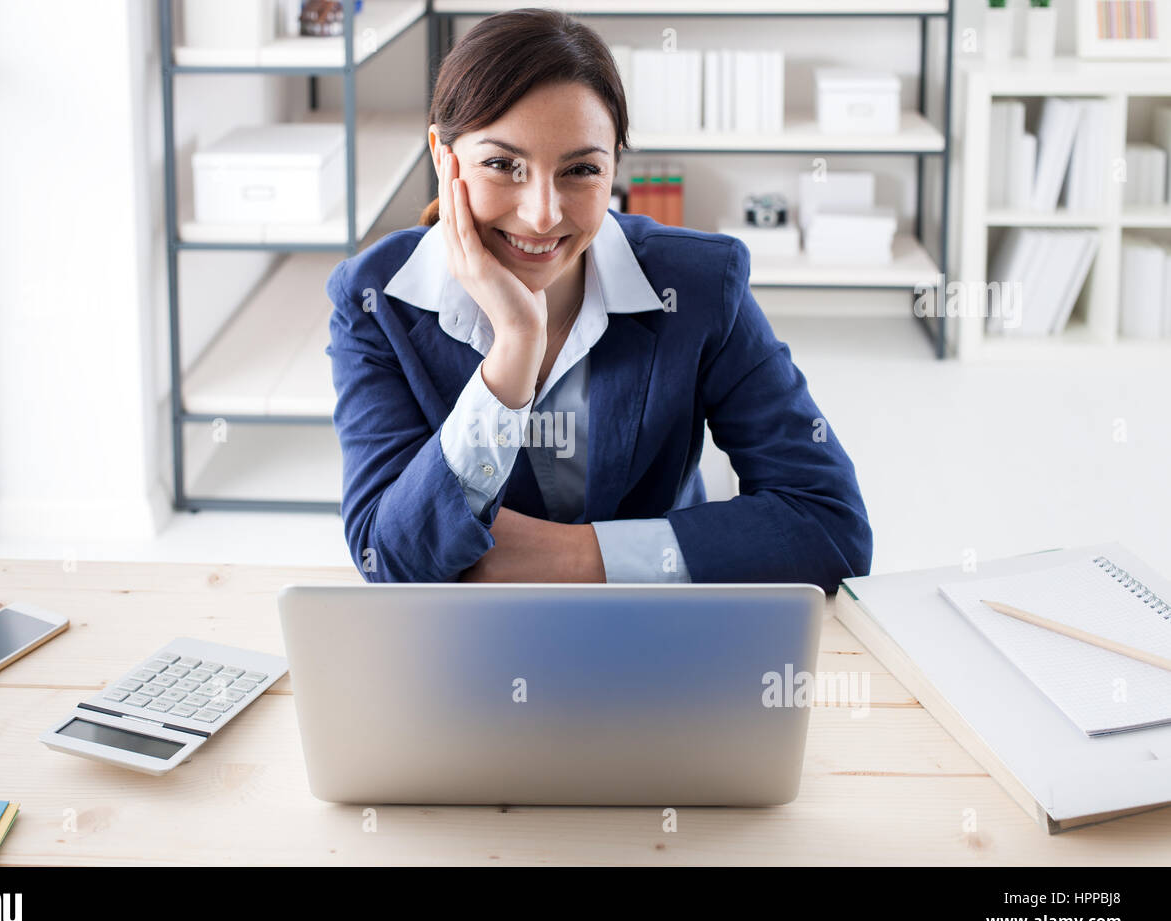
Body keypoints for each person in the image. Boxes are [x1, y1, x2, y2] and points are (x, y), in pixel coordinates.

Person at [324, 7, 871, 589]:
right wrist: (513, 353)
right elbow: (388, 559)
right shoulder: (374, 300)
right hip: (473, 642)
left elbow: (832, 527)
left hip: (654, 630)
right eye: (502, 165)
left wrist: (575, 557)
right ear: (444, 157)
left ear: (613, 168)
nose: (542, 215)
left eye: (580, 169)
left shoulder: (699, 283)